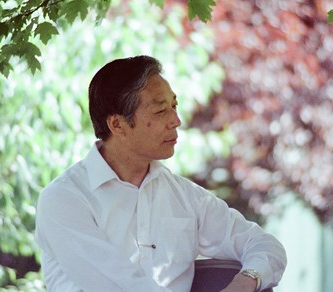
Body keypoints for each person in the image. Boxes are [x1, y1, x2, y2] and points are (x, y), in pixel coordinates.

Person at [35, 55, 287, 292]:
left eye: (174, 106)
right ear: (117, 125)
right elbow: (120, 286)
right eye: (160, 111)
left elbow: (266, 246)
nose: (175, 120)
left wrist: (245, 281)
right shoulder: (64, 199)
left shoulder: (185, 196)